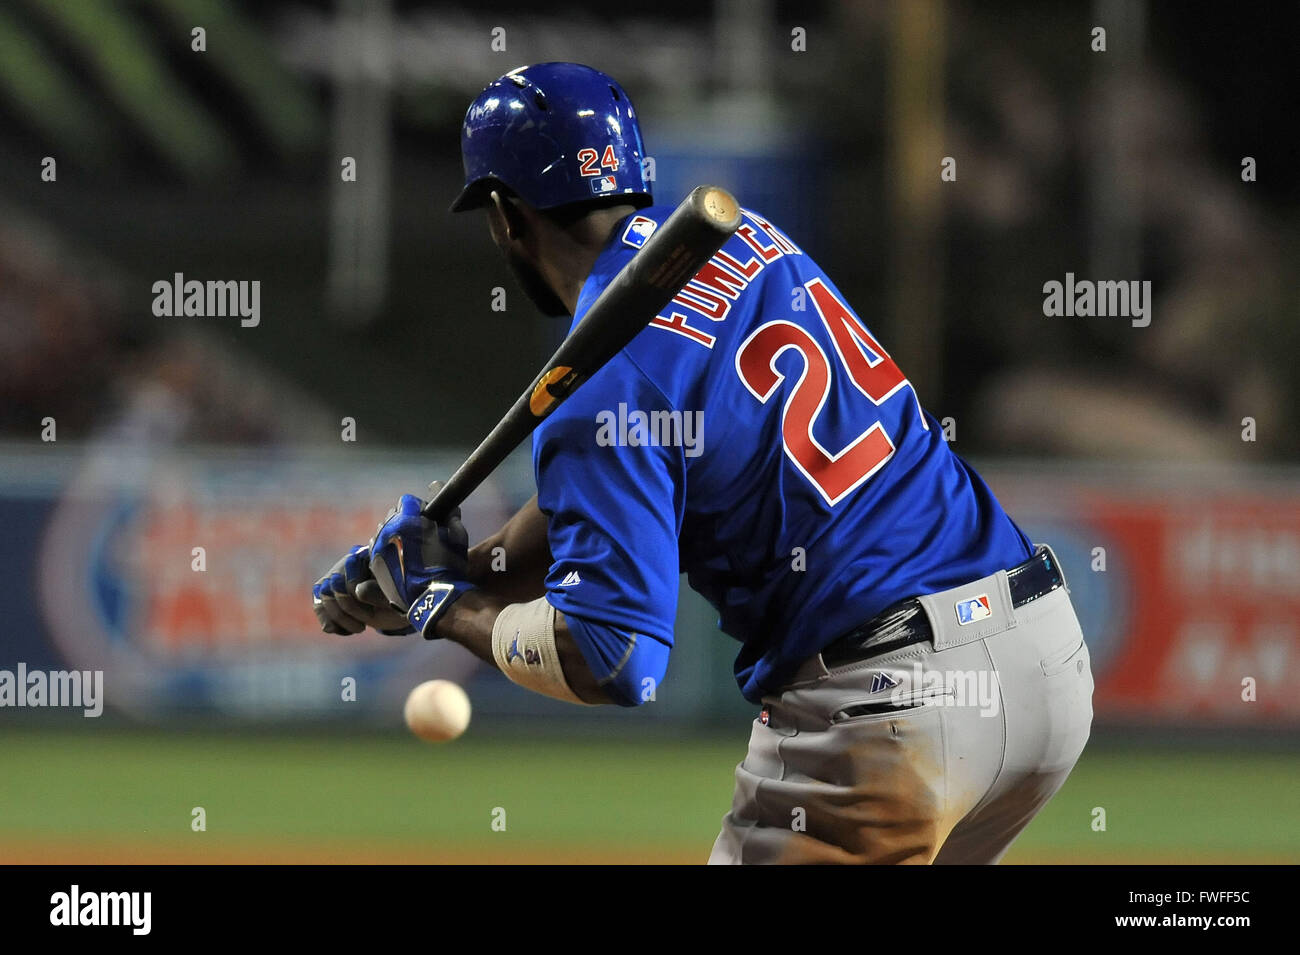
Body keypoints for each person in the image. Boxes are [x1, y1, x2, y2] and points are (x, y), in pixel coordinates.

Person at [313, 62, 1094, 865]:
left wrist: (441, 608)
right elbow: (621, 485)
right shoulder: (749, 241)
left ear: (507, 217)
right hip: (1042, 659)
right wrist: (469, 568)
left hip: (889, 707)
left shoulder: (596, 391)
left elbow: (613, 655)